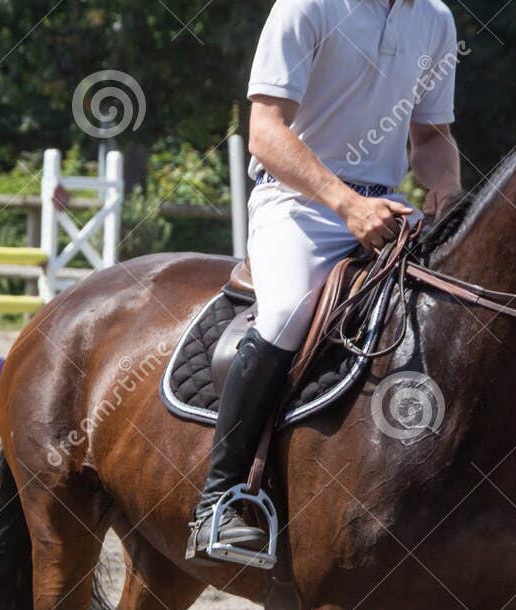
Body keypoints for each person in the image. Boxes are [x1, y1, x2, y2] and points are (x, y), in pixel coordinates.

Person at [187, 0, 463, 563]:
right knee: (288, 310)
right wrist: (346, 204)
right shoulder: (307, 6)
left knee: (462, 305)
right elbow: (265, 132)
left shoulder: (434, 18)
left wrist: (447, 192)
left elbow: (431, 137)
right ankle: (220, 500)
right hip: (299, 202)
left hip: (387, 207)